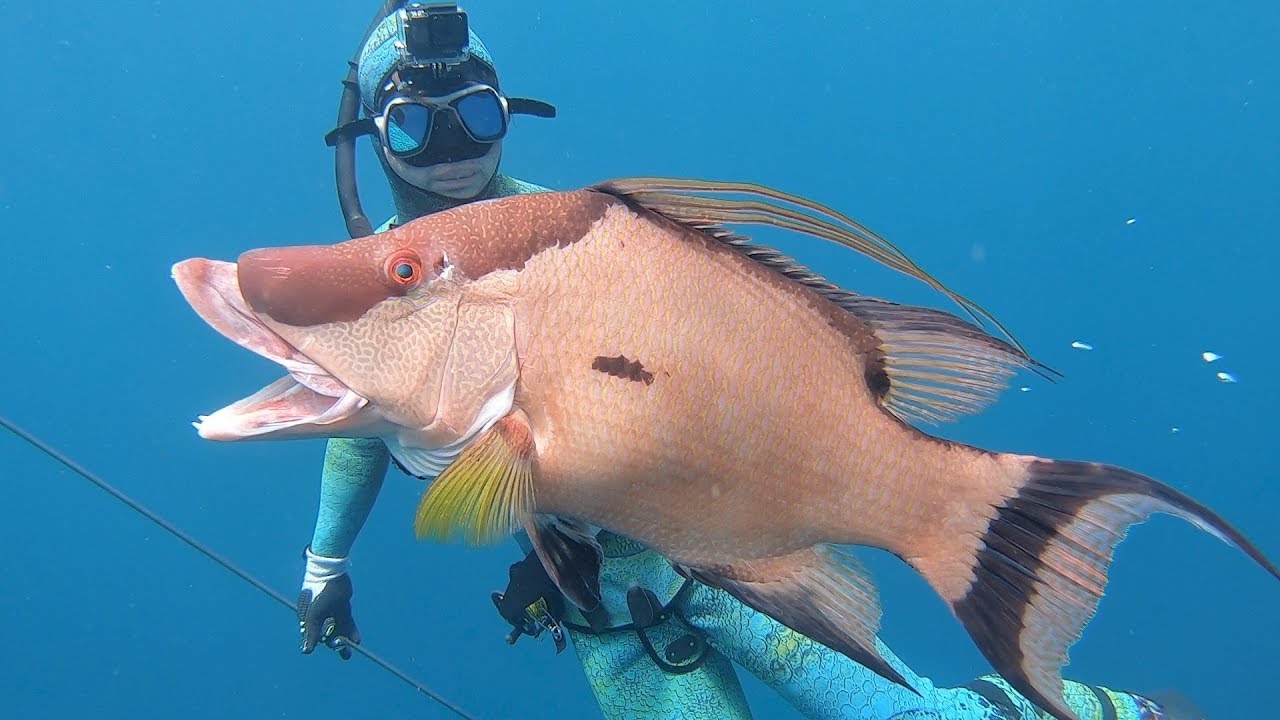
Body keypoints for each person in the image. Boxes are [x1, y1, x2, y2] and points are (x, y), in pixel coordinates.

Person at [299, 4, 1196, 719]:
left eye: (477, 119)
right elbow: (358, 424)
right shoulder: (384, 287)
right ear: (376, 139)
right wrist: (324, 565)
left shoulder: (579, 230)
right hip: (611, 610)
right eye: (417, 128)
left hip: (719, 554)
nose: (454, 155)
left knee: (911, 719)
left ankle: (1116, 713)